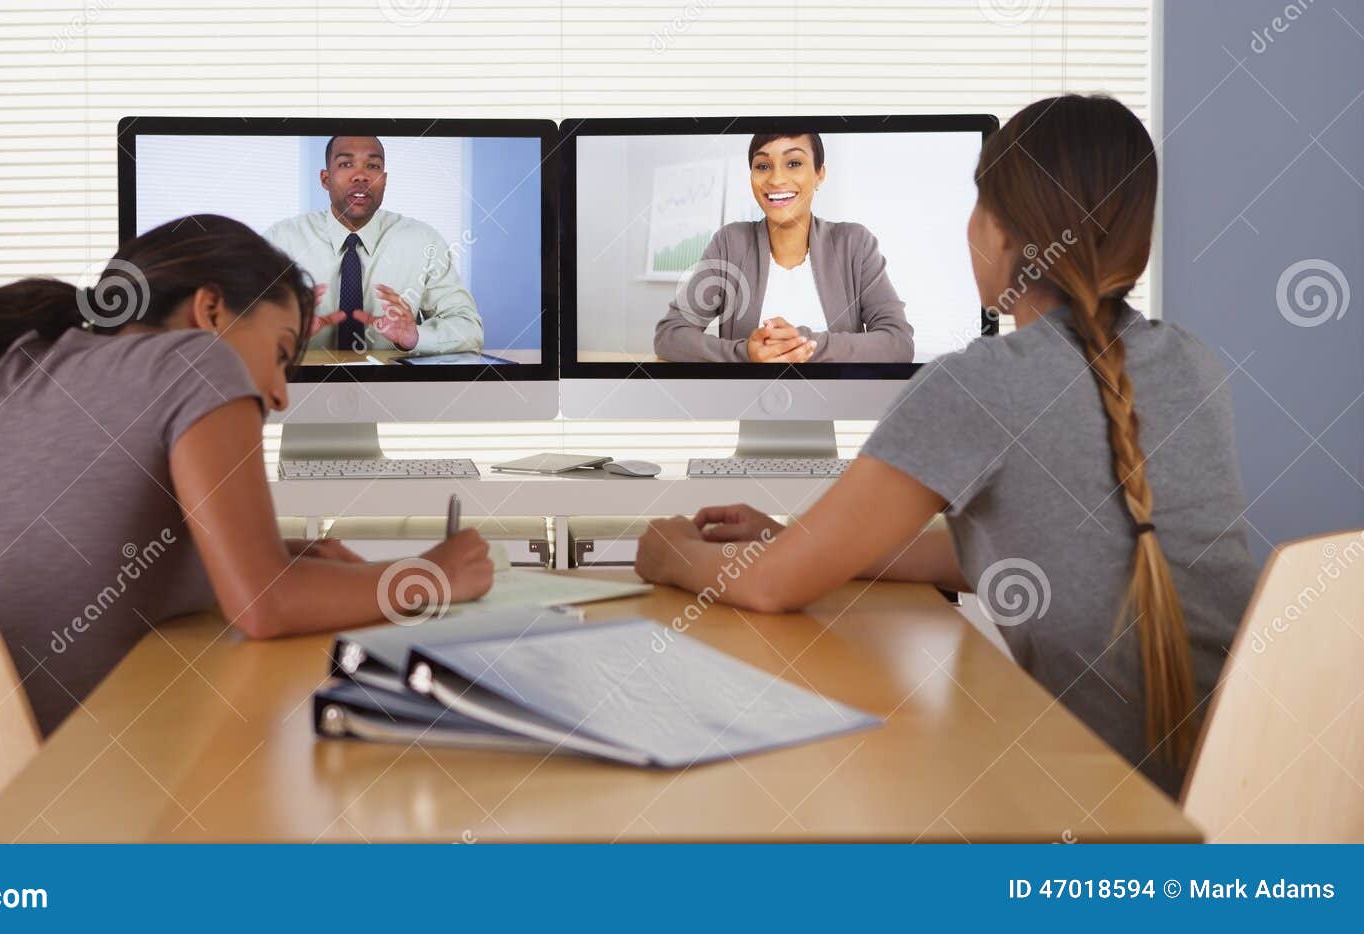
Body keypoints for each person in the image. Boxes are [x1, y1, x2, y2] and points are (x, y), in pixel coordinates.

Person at [633, 96, 1259, 796]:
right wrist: (799, 538)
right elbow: (1046, 552)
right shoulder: (1193, 363)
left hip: (1094, 808)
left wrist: (671, 552)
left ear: (997, 232)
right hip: (1236, 798)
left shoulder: (975, 383)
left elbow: (773, 590)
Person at [0, 215, 494, 736]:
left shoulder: (17, 364)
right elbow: (264, 607)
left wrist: (279, 556)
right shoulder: (198, 362)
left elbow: (83, 558)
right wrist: (436, 574)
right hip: (69, 786)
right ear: (211, 310)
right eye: (278, 355)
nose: (278, 394)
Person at [652, 132, 914, 363]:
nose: (776, 179)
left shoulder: (854, 243)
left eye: (794, 163)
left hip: (836, 406)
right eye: (763, 165)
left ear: (819, 173)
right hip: (749, 404)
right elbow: (670, 335)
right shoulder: (731, 243)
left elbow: (898, 342)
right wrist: (745, 353)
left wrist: (805, 344)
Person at [263, 135, 483, 356]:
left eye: (373, 166)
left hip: (394, 387)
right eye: (346, 164)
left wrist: (416, 336)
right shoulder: (281, 240)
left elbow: (469, 328)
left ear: (384, 180)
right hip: (301, 387)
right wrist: (281, 332)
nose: (361, 176)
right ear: (325, 178)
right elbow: (236, 324)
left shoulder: (424, 242)